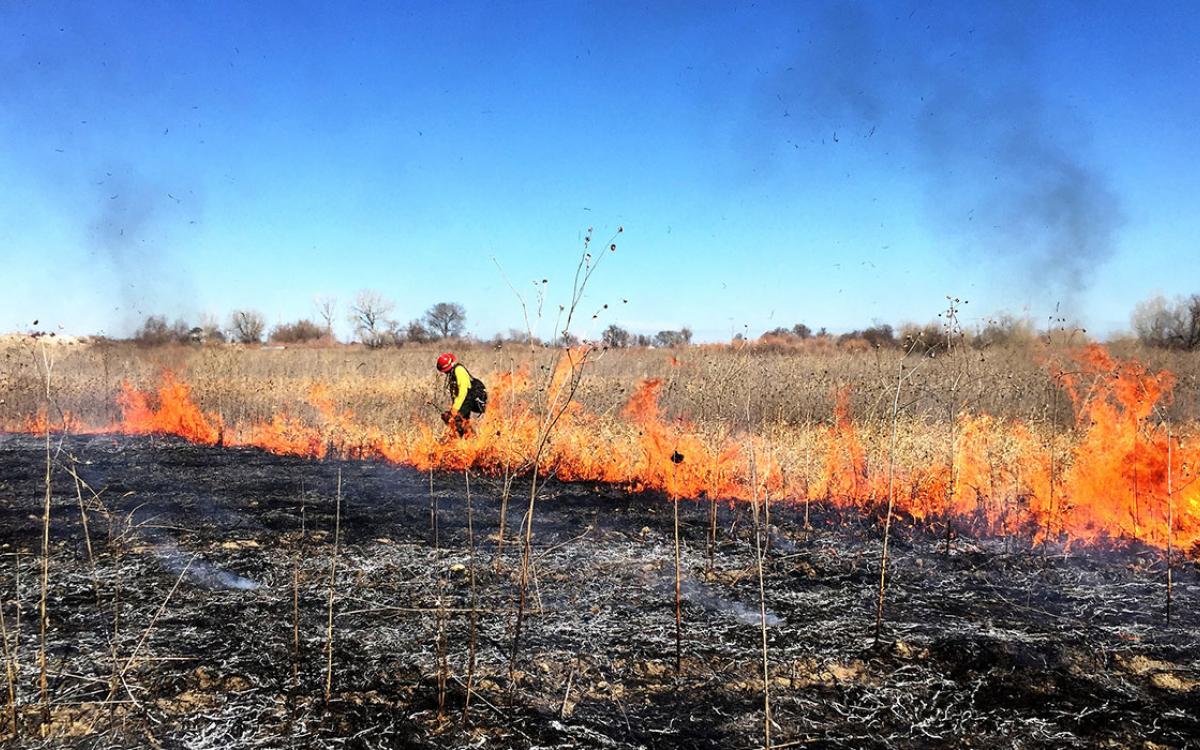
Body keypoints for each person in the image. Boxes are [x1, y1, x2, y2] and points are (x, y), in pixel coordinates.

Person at [437, 352, 487, 436]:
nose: (445, 373)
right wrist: (454, 406)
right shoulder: (453, 373)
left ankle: (472, 439)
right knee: (461, 423)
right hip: (464, 400)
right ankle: (467, 441)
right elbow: (455, 393)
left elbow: (463, 391)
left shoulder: (459, 370)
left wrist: (455, 408)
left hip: (469, 398)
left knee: (458, 421)